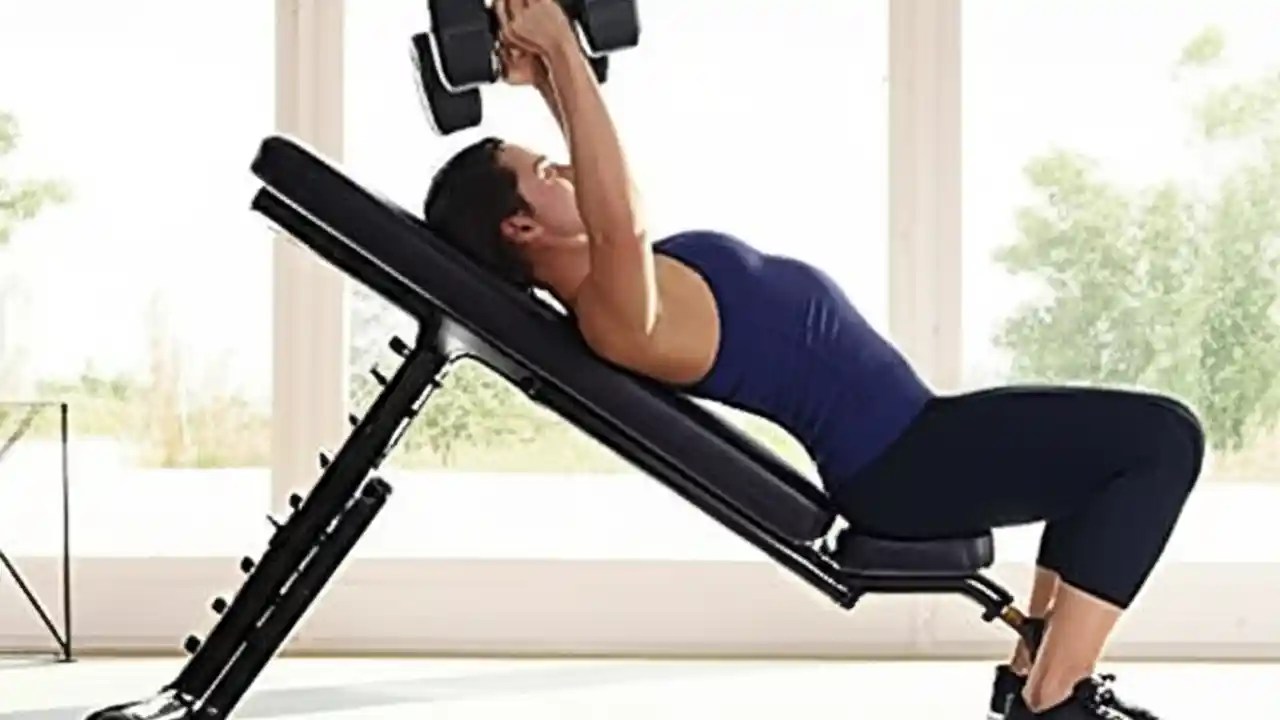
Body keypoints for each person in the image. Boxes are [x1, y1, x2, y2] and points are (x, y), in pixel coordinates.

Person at [422, 1, 1204, 717]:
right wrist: (559, 48)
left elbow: (605, 197)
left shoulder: (620, 281)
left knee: (1105, 454)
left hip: (917, 436)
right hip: (903, 465)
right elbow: (618, 214)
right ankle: (1056, 698)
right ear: (522, 230)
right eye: (543, 173)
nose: (564, 170)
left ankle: (1032, 666)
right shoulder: (614, 312)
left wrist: (547, 80)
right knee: (1163, 439)